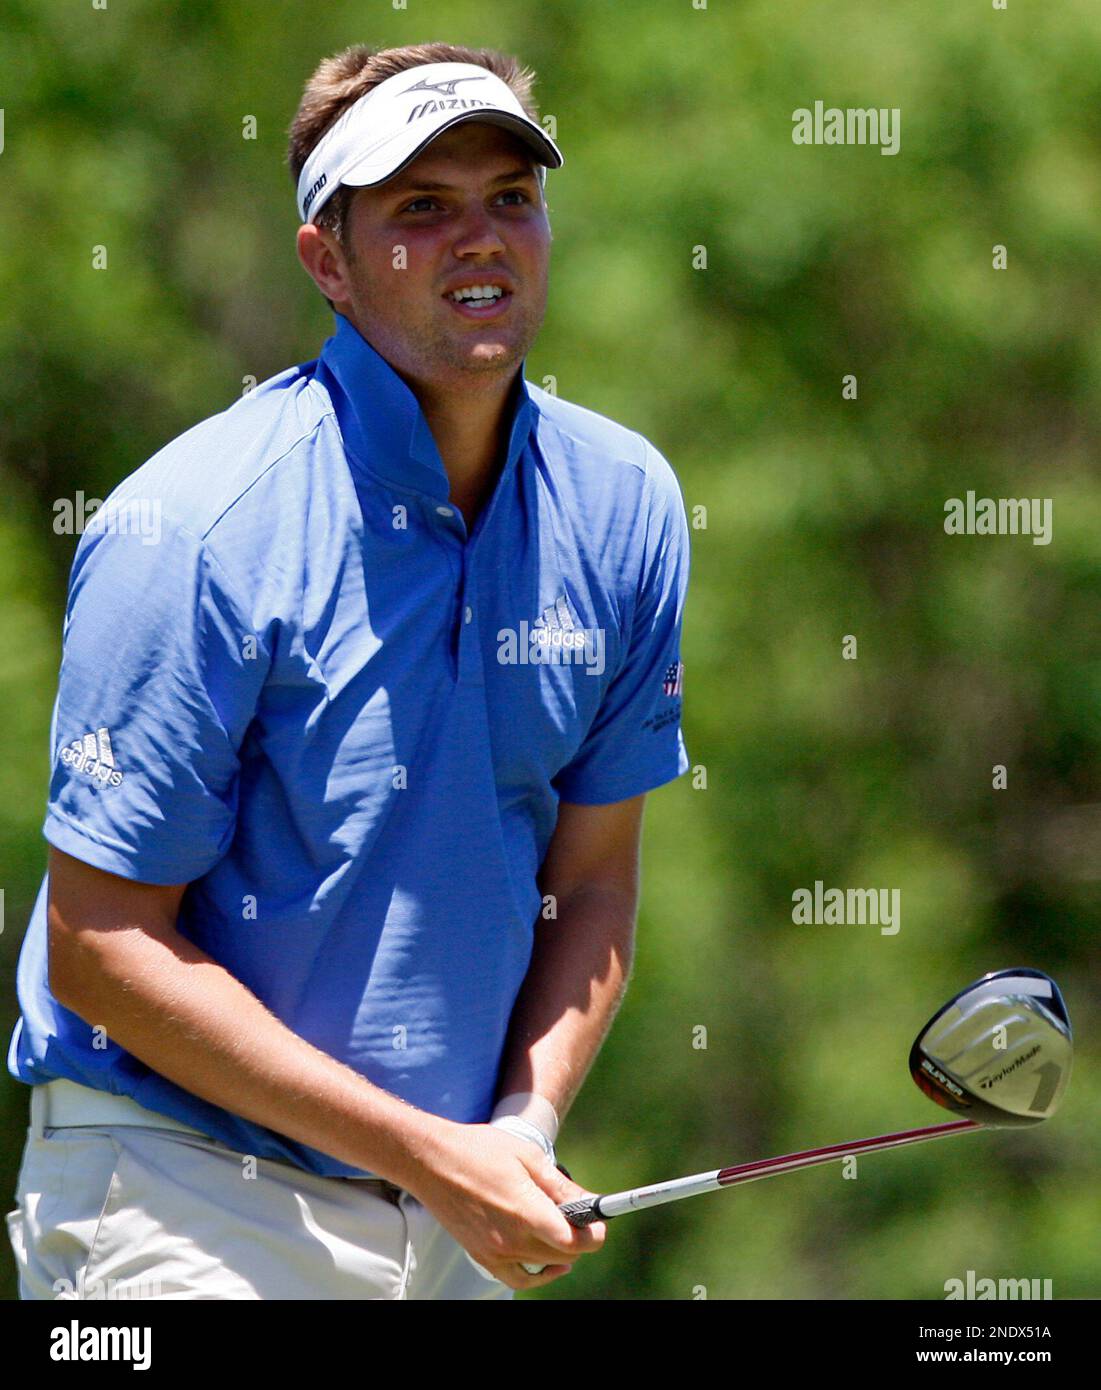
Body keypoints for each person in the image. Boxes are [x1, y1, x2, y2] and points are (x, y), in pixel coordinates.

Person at [5, 40, 691, 1301]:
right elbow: (101, 941)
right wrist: (431, 1155)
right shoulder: (196, 529)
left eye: (509, 197)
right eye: (421, 210)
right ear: (327, 258)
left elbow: (591, 886)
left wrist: (520, 1137)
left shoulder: (624, 505)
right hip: (182, 1190)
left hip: (448, 1204)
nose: (479, 237)